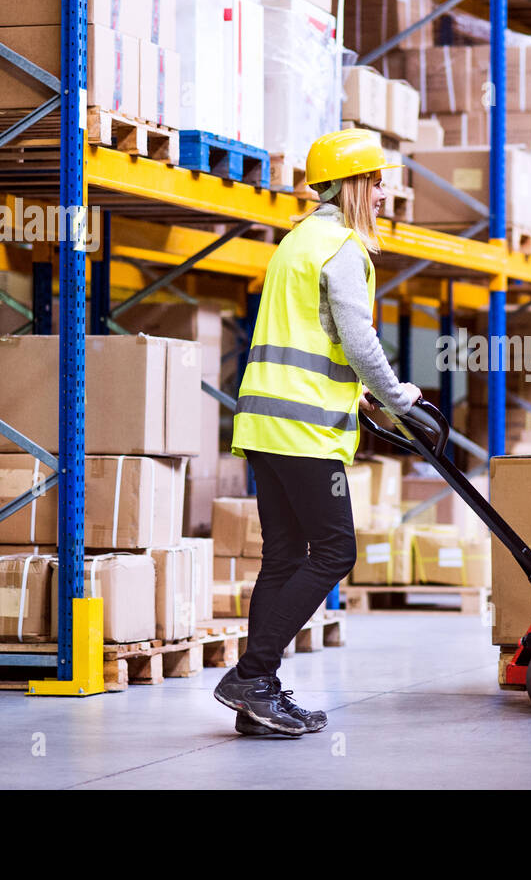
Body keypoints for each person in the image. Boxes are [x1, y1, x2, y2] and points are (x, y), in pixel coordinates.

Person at [212, 129, 422, 738]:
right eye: (377, 182)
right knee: (336, 552)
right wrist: (399, 396)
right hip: (304, 430)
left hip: (263, 422)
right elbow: (358, 342)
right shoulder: (343, 247)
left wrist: (360, 394)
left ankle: (260, 694)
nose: (383, 193)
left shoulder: (297, 241)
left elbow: (315, 338)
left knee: (281, 557)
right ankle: (253, 675)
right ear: (354, 185)